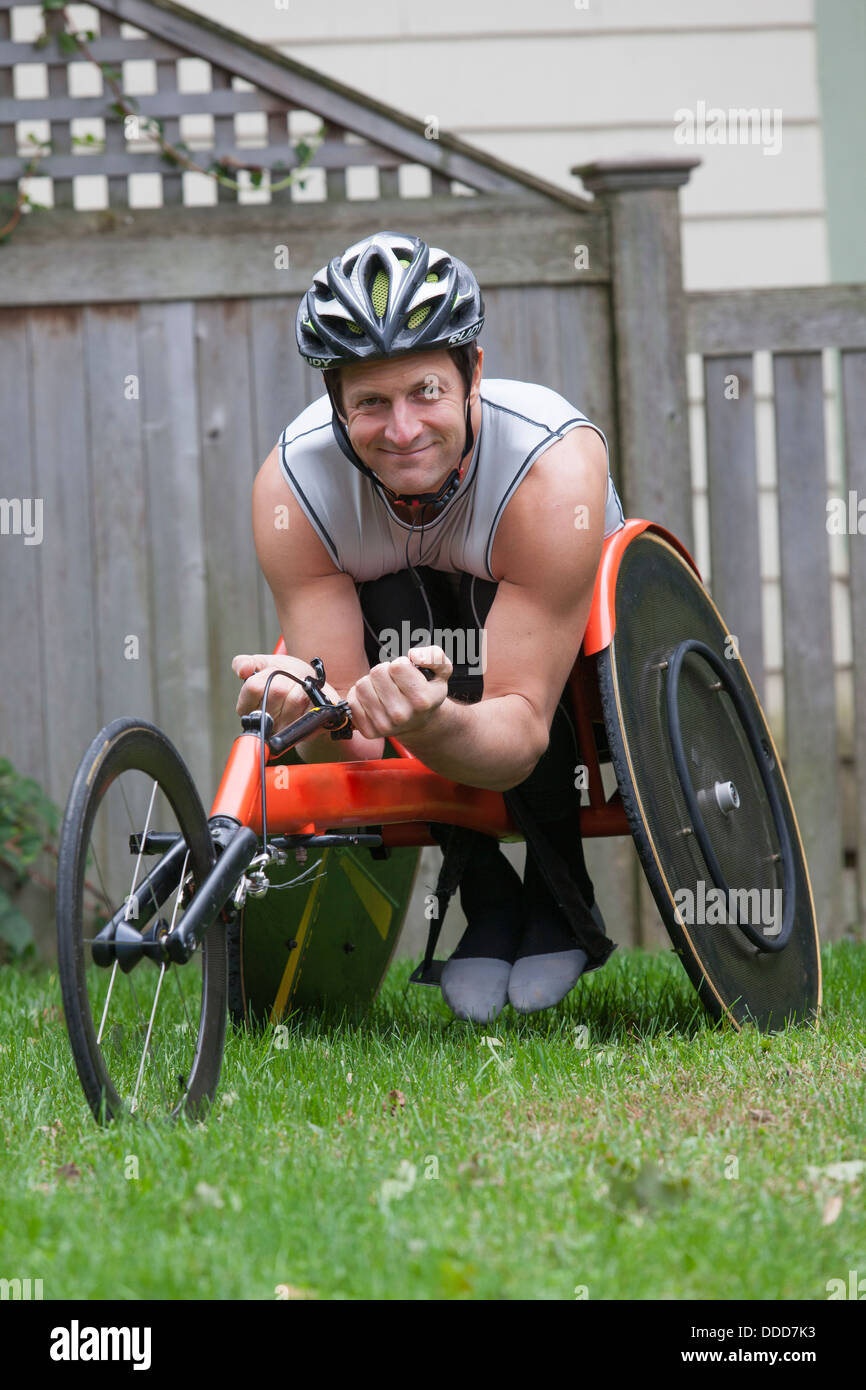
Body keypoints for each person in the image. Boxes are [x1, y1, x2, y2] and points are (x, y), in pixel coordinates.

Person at [233, 230, 625, 1022]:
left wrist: (436, 717)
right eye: (371, 403)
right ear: (337, 404)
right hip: (405, 618)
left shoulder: (550, 468)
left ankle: (560, 898)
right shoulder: (292, 490)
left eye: (425, 392)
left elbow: (519, 729)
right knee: (396, 615)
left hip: (556, 663)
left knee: (472, 630)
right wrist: (303, 712)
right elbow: (357, 743)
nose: (403, 429)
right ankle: (488, 898)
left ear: (473, 373)